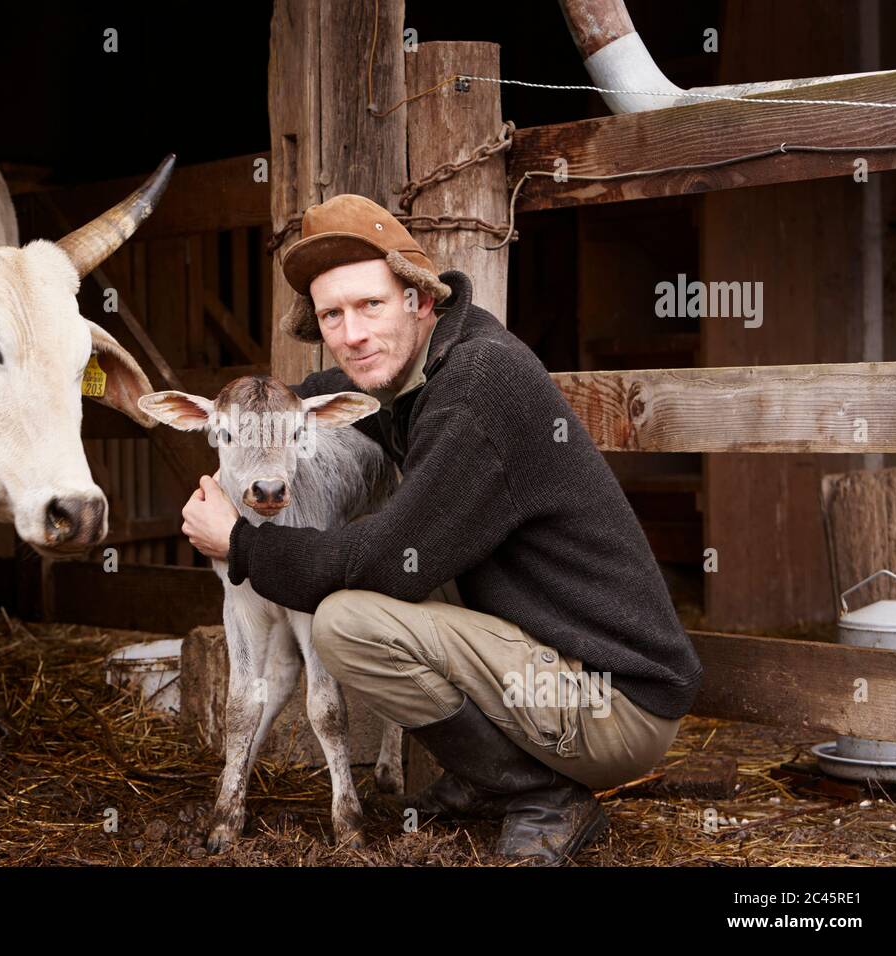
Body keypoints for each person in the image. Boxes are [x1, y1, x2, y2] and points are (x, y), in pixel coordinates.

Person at [179, 193, 703, 865]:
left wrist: (243, 543)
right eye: (332, 315)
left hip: (614, 703)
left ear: (421, 302)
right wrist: (252, 436)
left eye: (370, 305)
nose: (352, 333)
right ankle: (499, 779)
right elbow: (302, 401)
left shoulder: (480, 381)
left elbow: (395, 558)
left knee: (350, 622)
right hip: (553, 668)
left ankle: (541, 795)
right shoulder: (409, 383)